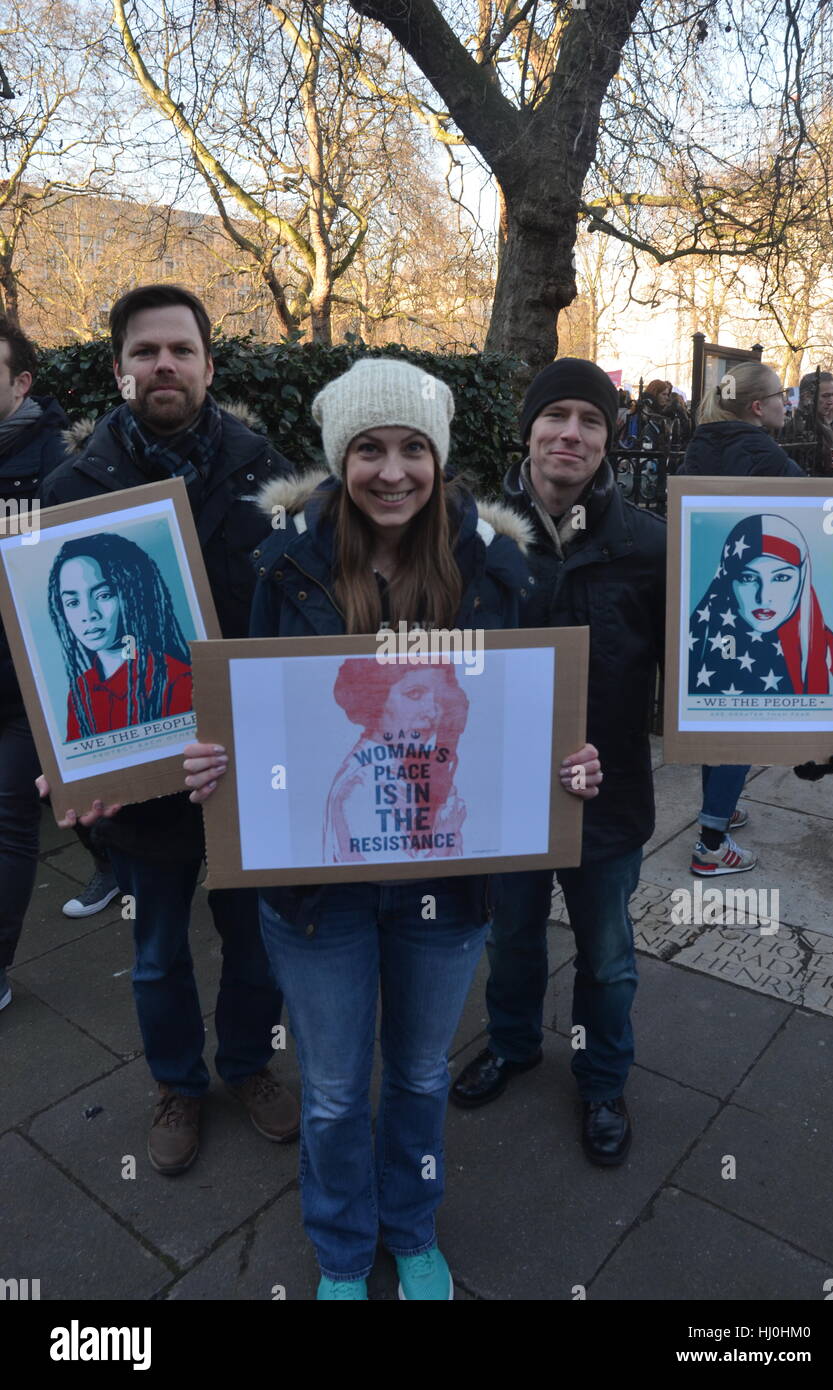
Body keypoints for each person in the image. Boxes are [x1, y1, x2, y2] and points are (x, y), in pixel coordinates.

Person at [183, 356, 600, 1299]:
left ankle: (409, 1226)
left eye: (413, 448)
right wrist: (216, 762)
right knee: (331, 1092)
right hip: (316, 888)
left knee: (415, 1078)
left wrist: (567, 767)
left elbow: (524, 725)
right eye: (368, 449)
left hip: (446, 890)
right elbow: (250, 711)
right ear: (340, 458)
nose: (392, 470)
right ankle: (339, 1248)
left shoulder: (496, 569)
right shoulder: (280, 559)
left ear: (440, 457)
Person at [39, 284, 299, 1173]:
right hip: (140, 772)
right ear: (118, 372)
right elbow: (41, 643)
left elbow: (296, 606)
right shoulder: (72, 488)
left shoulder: (266, 469)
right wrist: (56, 755)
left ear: (208, 367)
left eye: (180, 351)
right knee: (154, 955)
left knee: (254, 943)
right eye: (145, 353)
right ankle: (177, 1085)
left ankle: (248, 1066)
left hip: (242, 762)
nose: (163, 366)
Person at [450, 358, 665, 1170]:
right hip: (501, 790)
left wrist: (787, 724)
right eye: (556, 416)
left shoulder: (647, 542)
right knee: (509, 937)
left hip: (607, 797)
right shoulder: (469, 533)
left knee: (607, 956)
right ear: (529, 428)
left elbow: (693, 667)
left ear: (608, 439)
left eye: (590, 420)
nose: (570, 433)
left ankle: (603, 1079)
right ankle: (511, 1045)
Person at [679, 361, 804, 877]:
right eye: (780, 396)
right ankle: (712, 844)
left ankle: (721, 809)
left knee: (717, 708)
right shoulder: (765, 454)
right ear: (758, 406)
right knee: (743, 718)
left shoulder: (700, 444)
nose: (785, 404)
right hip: (756, 610)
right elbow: (807, 516)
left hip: (707, 603)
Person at [0, 317, 71, 1010]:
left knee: (13, 820)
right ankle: (120, 871)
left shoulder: (57, 462)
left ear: (21, 382)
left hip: (24, 678)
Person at [48, 533, 193, 740]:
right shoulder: (81, 691)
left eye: (103, 595)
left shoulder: (178, 680)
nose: (89, 614)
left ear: (133, 595)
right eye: (73, 602)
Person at [323, 660, 467, 863]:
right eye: (415, 694)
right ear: (376, 700)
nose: (433, 713)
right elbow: (399, 877)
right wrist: (445, 837)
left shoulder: (405, 772)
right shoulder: (362, 785)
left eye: (440, 698)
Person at [688, 514, 833, 700]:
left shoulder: (832, 655)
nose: (764, 598)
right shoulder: (701, 643)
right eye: (748, 578)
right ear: (728, 579)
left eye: (781, 577)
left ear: (802, 578)